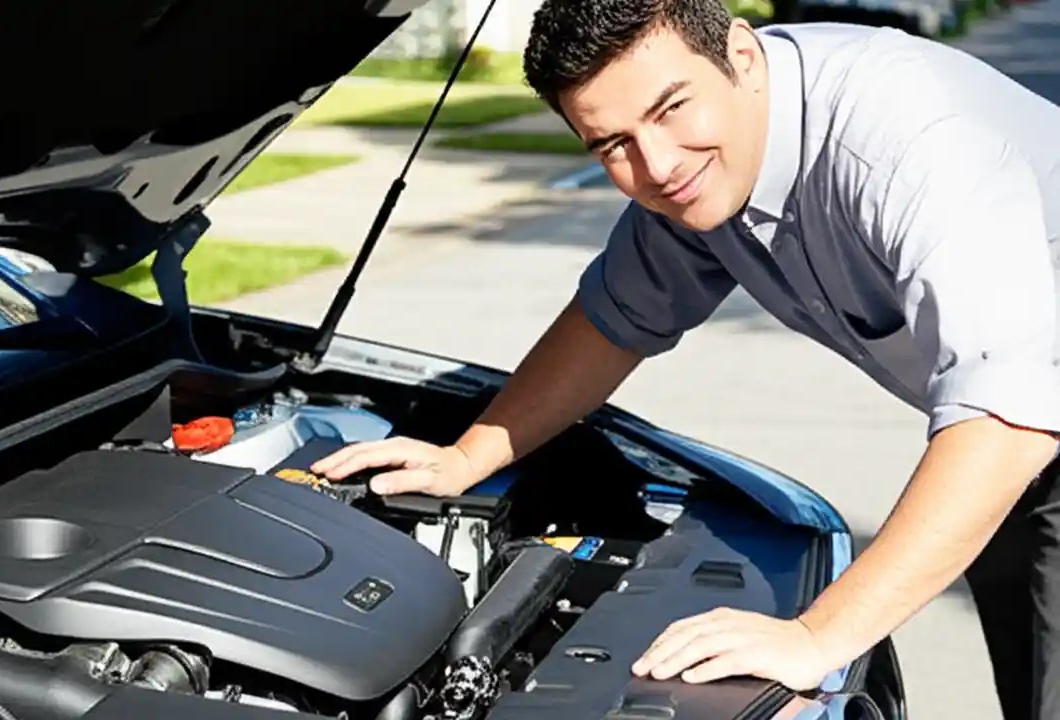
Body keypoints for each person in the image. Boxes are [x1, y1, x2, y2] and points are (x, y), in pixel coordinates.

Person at [310, 1, 1060, 717]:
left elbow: (1006, 420)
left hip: (1024, 435)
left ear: (739, 51)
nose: (658, 166)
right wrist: (467, 457)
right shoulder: (708, 168)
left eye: (671, 109)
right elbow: (615, 321)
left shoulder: (911, 140)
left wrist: (816, 638)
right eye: (612, 145)